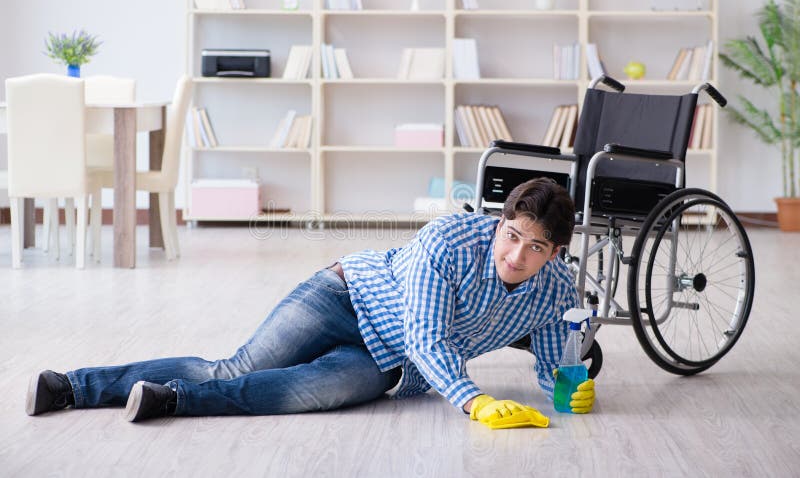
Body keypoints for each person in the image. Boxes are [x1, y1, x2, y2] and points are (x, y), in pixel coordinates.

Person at [26, 177, 595, 428]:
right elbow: (429, 336)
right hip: (345, 295)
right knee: (238, 366)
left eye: (535, 246)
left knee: (311, 393)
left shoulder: (555, 293)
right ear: (500, 224)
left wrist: (569, 391)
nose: (516, 254)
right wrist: (473, 402)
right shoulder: (447, 241)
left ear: (557, 252)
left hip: (389, 361)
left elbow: (553, 366)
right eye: (511, 235)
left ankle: (171, 402)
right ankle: (72, 387)